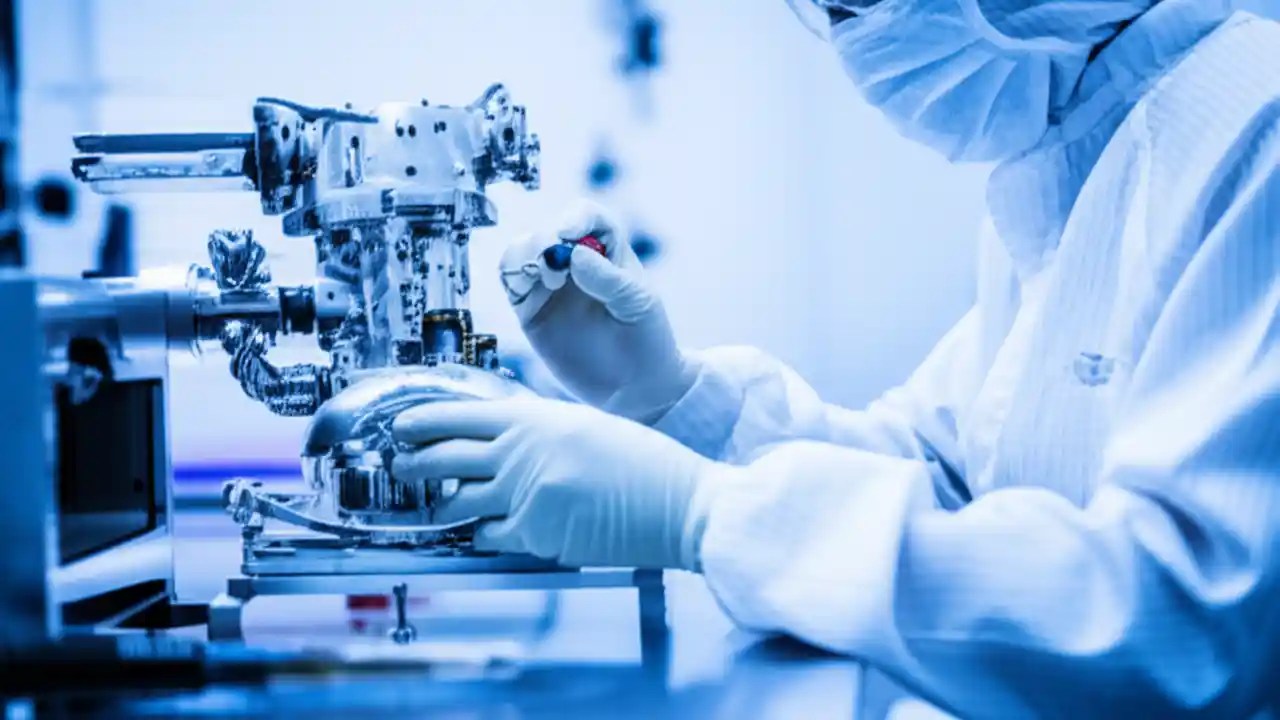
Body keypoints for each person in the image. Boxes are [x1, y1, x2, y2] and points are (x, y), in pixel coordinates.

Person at [392, 0, 1280, 715]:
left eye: (858, 5)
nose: (852, 43)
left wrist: (707, 512)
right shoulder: (1076, 155)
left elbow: (1181, 623)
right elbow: (948, 473)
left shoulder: (1255, 122)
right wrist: (670, 398)